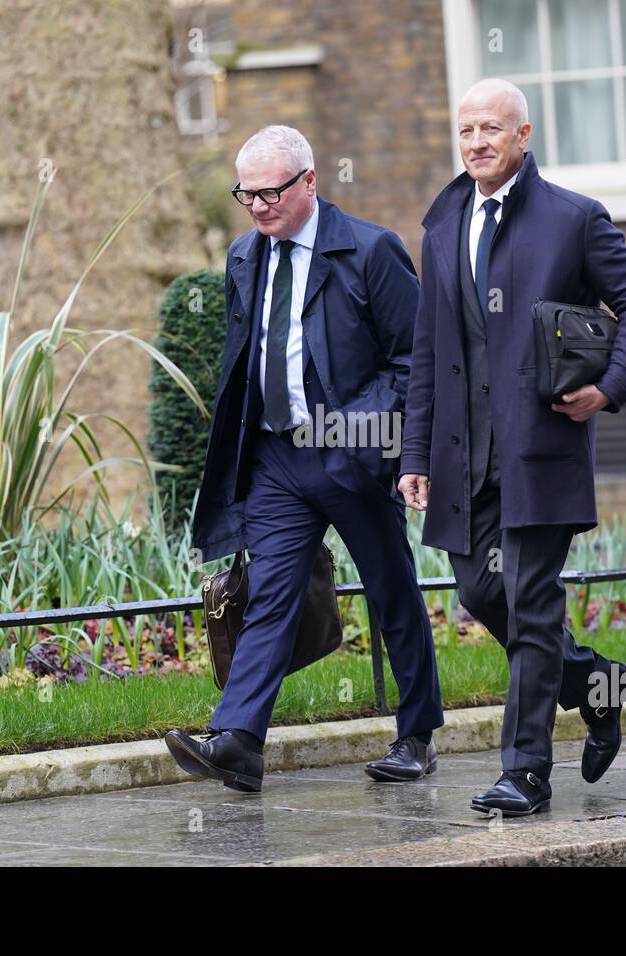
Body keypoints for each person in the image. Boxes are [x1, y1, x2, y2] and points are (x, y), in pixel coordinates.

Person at [398, 79, 626, 816]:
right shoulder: (443, 221)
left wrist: (608, 388)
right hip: (463, 456)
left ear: (523, 135)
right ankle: (595, 682)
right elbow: (427, 349)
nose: (477, 143)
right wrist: (414, 455)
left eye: (492, 129)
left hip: (541, 448)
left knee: (531, 599)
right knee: (482, 591)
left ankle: (525, 771)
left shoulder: (573, 219)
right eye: (465, 132)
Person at [167, 125, 444, 792]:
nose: (259, 206)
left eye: (272, 192)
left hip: (352, 454)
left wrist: (370, 434)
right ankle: (239, 740)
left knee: (391, 590)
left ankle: (416, 735)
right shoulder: (243, 256)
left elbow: (413, 363)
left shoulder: (372, 251)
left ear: (310, 182)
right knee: (268, 595)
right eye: (247, 194)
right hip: (276, 460)